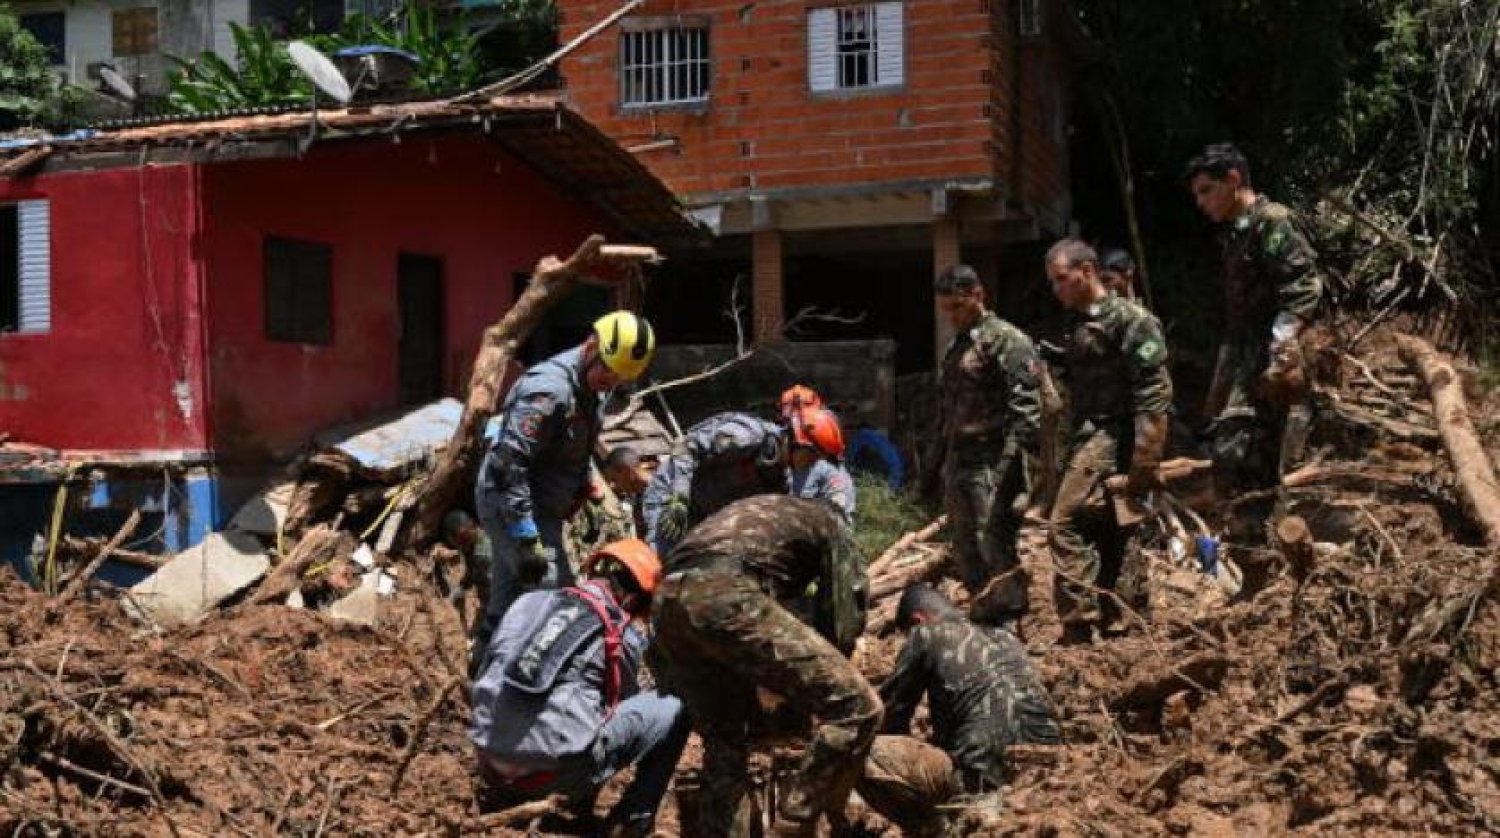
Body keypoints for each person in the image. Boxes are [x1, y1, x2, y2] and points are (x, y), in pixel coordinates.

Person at [651, 495, 879, 836]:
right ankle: (793, 824)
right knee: (858, 707)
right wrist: (816, 682)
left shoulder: (763, 515)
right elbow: (844, 620)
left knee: (723, 741)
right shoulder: (832, 525)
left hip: (667, 603)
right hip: (724, 592)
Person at [469, 538, 688, 837]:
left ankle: (553, 798)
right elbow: (617, 710)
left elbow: (488, 668)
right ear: (632, 601)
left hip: (488, 761)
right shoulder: (621, 635)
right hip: (547, 778)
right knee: (673, 710)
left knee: (577, 709)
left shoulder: (529, 602)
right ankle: (631, 823)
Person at [474, 311, 656, 646]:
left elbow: (573, 443)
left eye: (618, 378)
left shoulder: (590, 387)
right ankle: (541, 690)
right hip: (513, 506)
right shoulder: (549, 392)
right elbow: (507, 463)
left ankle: (483, 674)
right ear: (591, 346)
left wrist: (581, 484)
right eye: (608, 371)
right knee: (557, 606)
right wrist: (526, 538)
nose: (610, 381)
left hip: (543, 506)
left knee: (507, 600)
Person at [1045, 239, 1173, 637]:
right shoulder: (1077, 322)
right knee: (1111, 528)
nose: (1057, 289)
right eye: (1052, 283)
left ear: (1086, 271)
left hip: (1114, 434)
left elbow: (1154, 389)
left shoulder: (1131, 319)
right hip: (1087, 434)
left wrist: (1145, 458)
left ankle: (1079, 624)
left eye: (1062, 279)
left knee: (1063, 524)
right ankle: (1122, 617)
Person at [1185, 143, 1323, 490]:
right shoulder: (1237, 231)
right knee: (1225, 430)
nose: (1200, 203)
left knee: (1244, 436)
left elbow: (1303, 286)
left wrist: (1281, 346)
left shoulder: (1272, 222)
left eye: (1206, 191)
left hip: (1273, 347)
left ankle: (1261, 514)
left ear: (1233, 180)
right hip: (1243, 346)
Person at [922, 264, 1043, 619]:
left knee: (994, 538)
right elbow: (945, 412)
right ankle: (984, 606)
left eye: (957, 307)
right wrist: (933, 466)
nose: (951, 316)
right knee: (964, 542)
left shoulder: (1008, 341)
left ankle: (1011, 612)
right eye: (945, 309)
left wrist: (1011, 469)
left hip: (994, 456)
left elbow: (1027, 414)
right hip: (960, 457)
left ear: (978, 295)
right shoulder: (956, 348)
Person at [640, 411, 787, 554]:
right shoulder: (744, 436)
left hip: (708, 512)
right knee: (663, 557)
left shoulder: (783, 477)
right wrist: (680, 497)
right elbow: (686, 449)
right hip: (673, 491)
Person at [786, 405, 856, 527]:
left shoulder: (823, 471)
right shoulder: (806, 469)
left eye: (796, 446)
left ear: (812, 451)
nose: (790, 449)